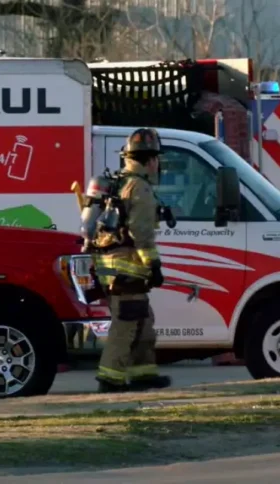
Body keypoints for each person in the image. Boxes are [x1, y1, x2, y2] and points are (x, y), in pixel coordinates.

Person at [92, 127, 171, 393]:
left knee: (143, 321)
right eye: (157, 159)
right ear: (151, 160)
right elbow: (141, 232)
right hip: (127, 267)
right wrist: (154, 265)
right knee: (126, 324)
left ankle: (143, 374)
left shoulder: (120, 182)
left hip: (113, 266)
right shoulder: (140, 187)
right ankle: (110, 379)